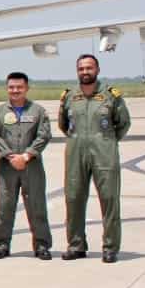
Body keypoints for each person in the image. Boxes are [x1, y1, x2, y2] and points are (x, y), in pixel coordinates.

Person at [59, 54, 130, 263]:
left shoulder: (111, 95)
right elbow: (64, 124)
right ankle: (76, 245)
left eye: (89, 68)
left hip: (104, 152)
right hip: (75, 152)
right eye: (81, 68)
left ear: (97, 70)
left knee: (109, 199)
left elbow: (123, 123)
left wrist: (107, 141)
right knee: (73, 199)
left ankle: (110, 247)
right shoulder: (70, 96)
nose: (85, 72)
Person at [0, 72, 52, 259]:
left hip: (31, 166)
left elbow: (44, 135)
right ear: (7, 88)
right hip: (6, 167)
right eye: (11, 87)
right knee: (5, 206)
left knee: (36, 206)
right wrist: (9, 156)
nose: (15, 91)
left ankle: (41, 245)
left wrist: (26, 155)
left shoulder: (38, 111)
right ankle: (1, 244)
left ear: (26, 88)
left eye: (19, 87)